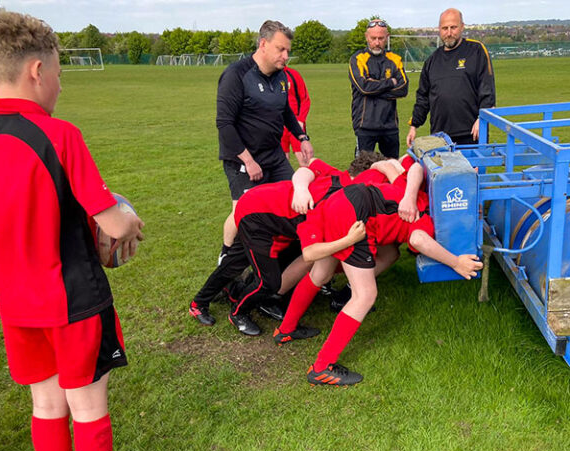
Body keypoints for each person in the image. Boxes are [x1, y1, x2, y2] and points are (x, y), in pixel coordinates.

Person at [0, 10, 151, 451]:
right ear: (35, 71)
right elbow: (111, 221)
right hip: (71, 295)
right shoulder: (58, 135)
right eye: (57, 73)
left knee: (46, 402)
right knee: (87, 399)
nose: (58, 85)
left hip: (14, 300)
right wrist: (130, 222)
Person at [276, 161, 483, 386]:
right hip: (357, 216)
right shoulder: (426, 219)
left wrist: (409, 195)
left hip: (343, 199)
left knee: (325, 271)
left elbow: (414, 168)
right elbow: (418, 240)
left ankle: (286, 329)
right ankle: (322, 368)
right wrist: (456, 263)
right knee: (364, 295)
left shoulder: (419, 189)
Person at [188, 152, 391, 335]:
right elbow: (310, 252)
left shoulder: (345, 183)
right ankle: (239, 313)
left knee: (235, 263)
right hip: (258, 217)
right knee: (268, 281)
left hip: (263, 211)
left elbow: (312, 164)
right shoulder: (340, 197)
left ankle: (200, 301)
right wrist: (347, 240)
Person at [217, 20, 314, 263]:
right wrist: (249, 161)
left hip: (274, 157)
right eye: (281, 49)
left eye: (288, 51)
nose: (286, 56)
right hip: (243, 159)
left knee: (294, 201)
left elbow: (285, 112)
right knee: (243, 213)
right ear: (263, 44)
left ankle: (286, 257)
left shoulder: (281, 77)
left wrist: (302, 137)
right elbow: (224, 124)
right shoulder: (236, 75)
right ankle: (226, 256)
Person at [406, 8, 495, 148]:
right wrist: (414, 125)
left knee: (472, 170)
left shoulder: (476, 50)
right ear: (439, 29)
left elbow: (487, 88)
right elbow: (423, 97)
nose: (449, 33)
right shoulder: (432, 60)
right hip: (440, 136)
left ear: (462, 27)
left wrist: (482, 119)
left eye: (453, 27)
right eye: (445, 28)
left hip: (471, 133)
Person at [349, 19, 408, 159]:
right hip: (364, 124)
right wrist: (390, 82)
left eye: (380, 38)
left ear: (387, 37)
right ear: (366, 37)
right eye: (373, 38)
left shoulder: (395, 59)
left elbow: (403, 88)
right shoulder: (357, 59)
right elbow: (364, 87)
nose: (377, 42)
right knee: (362, 170)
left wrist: (374, 89)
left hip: (389, 126)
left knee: (392, 167)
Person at [280, 66, 311, 167]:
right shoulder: (268, 76)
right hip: (278, 125)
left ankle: (307, 181)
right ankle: (285, 182)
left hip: (295, 124)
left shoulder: (293, 74)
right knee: (281, 163)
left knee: (304, 161)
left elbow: (305, 99)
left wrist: (301, 120)